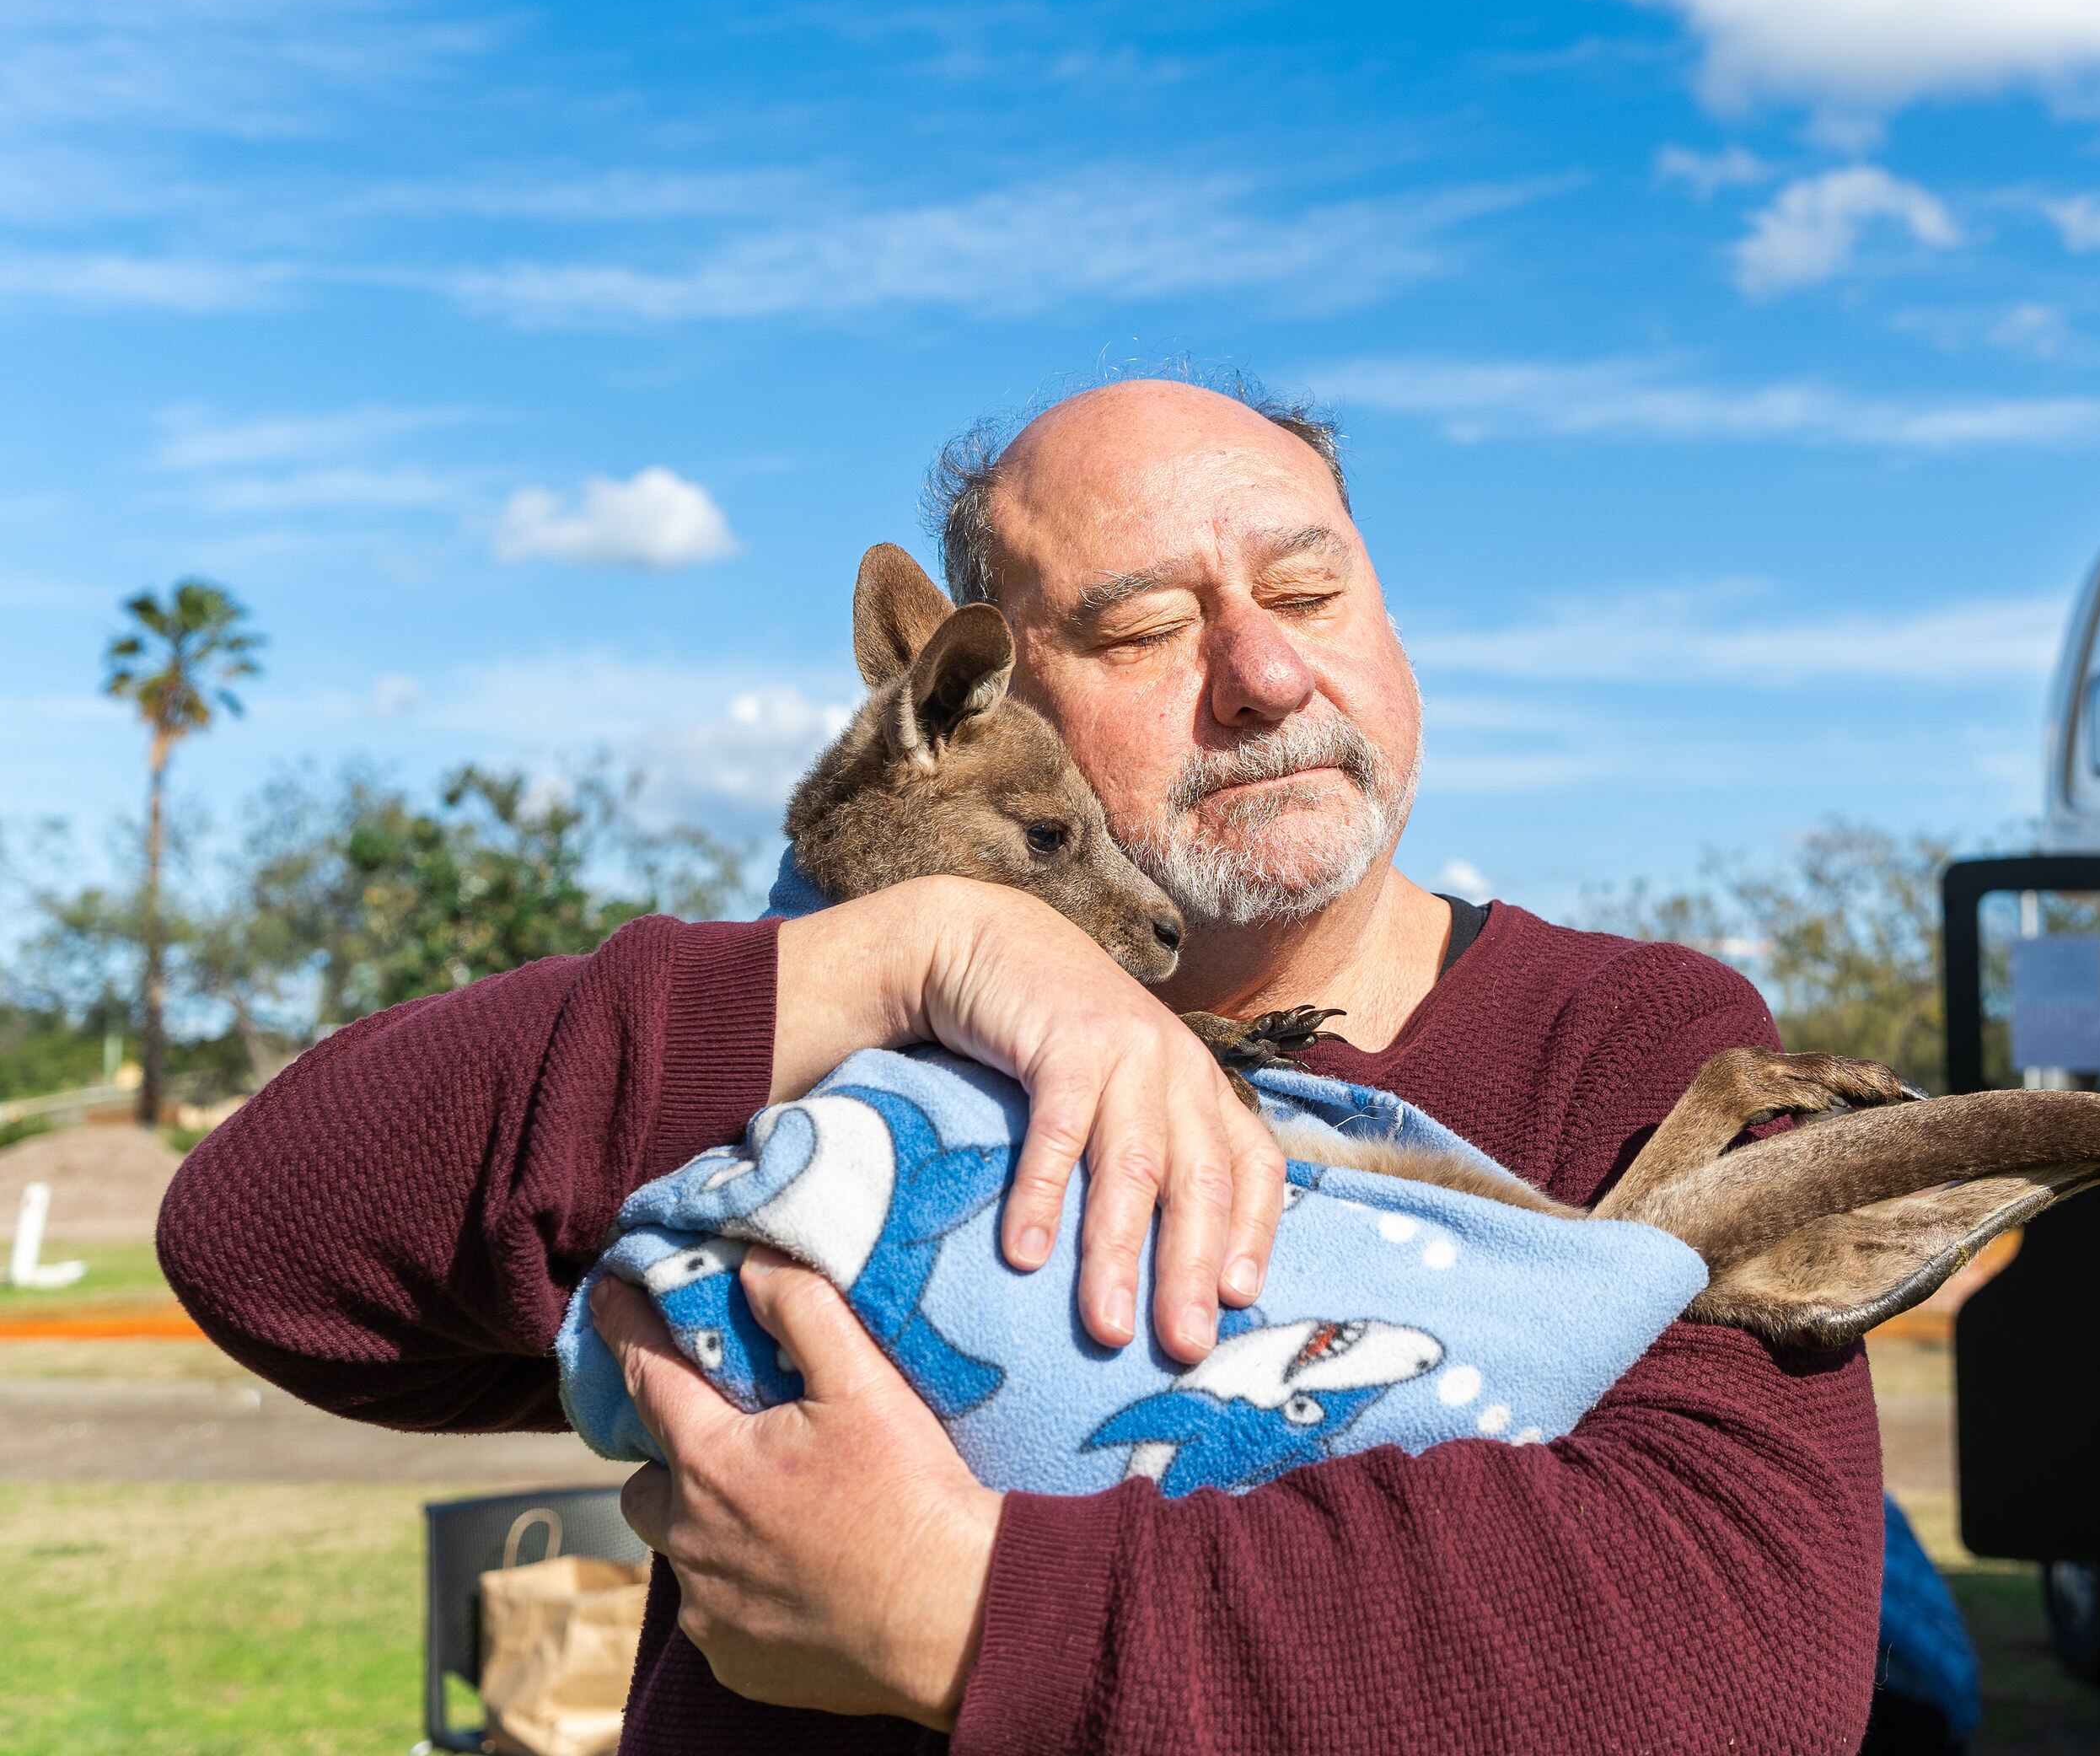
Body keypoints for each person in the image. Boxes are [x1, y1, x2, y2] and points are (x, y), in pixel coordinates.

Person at [158, 380, 1884, 1753]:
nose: (1269, 672)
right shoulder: (843, 1071)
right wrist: (913, 953)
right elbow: (263, 1243)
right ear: (978, 692)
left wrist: (954, 1605)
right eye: (1142, 630)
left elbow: (1740, 1658)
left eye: (1309, 588)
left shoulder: (1641, 1046)